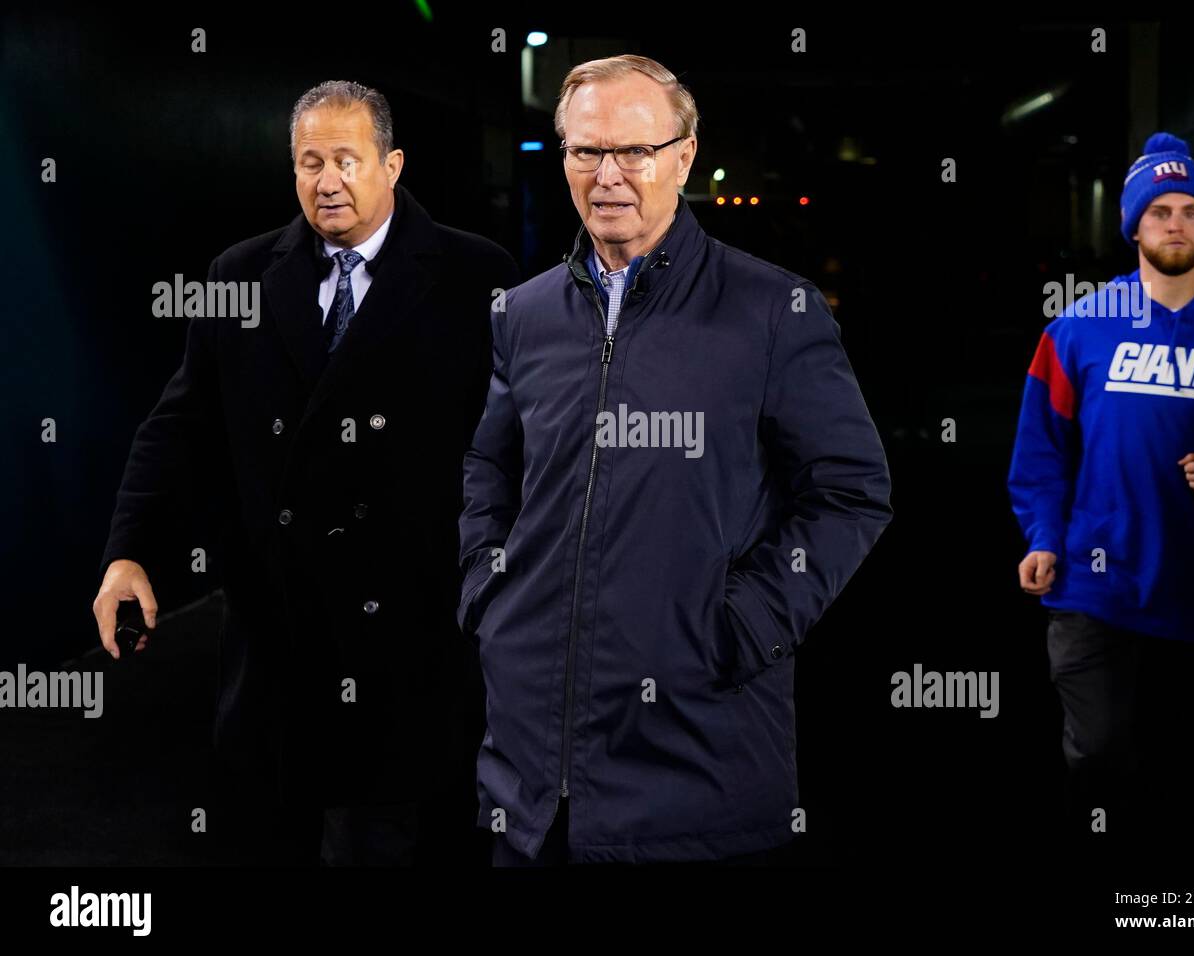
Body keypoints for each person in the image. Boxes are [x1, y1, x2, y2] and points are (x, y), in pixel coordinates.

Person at [458, 55, 893, 865]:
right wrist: (489, 590)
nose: (608, 175)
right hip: (526, 775)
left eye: (635, 151)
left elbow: (850, 493)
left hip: (700, 758)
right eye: (586, 152)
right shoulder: (522, 316)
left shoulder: (772, 311)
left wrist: (747, 622)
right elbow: (490, 464)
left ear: (684, 157)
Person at [93, 80, 519, 865]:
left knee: (380, 840)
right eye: (308, 162)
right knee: (269, 834)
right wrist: (130, 552)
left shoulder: (476, 277)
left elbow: (519, 446)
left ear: (392, 165)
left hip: (412, 638)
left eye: (346, 160)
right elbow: (180, 427)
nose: (327, 181)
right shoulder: (242, 274)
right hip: (276, 637)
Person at [1009, 132, 1194, 840]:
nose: (1175, 223)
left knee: (1189, 771)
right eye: (1160, 211)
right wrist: (1045, 539)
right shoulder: (1079, 328)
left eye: (1190, 211)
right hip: (1092, 584)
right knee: (1099, 757)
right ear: (1134, 225)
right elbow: (1042, 454)